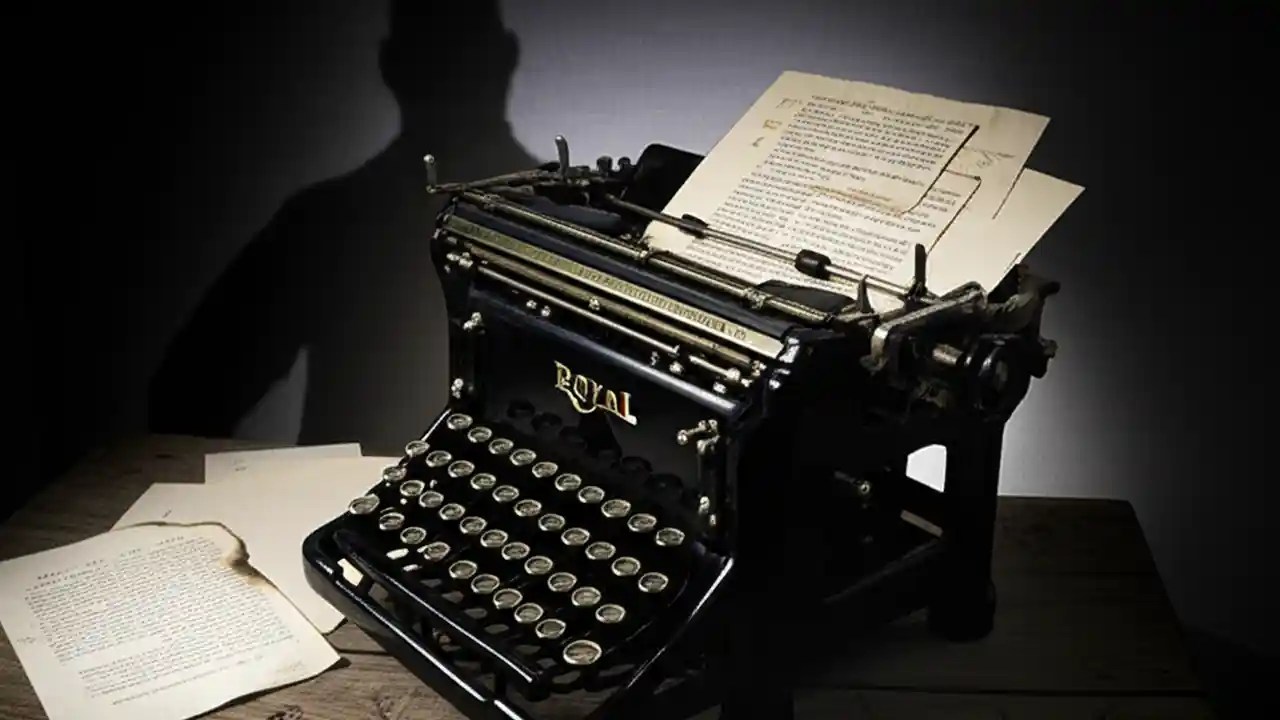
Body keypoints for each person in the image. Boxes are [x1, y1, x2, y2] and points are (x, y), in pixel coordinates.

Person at [149, 1, 537, 453]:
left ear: (390, 64)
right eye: (439, 57)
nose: (452, 80)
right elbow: (186, 392)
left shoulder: (321, 219)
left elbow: (182, 391)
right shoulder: (320, 222)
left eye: (460, 55)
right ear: (506, 54)